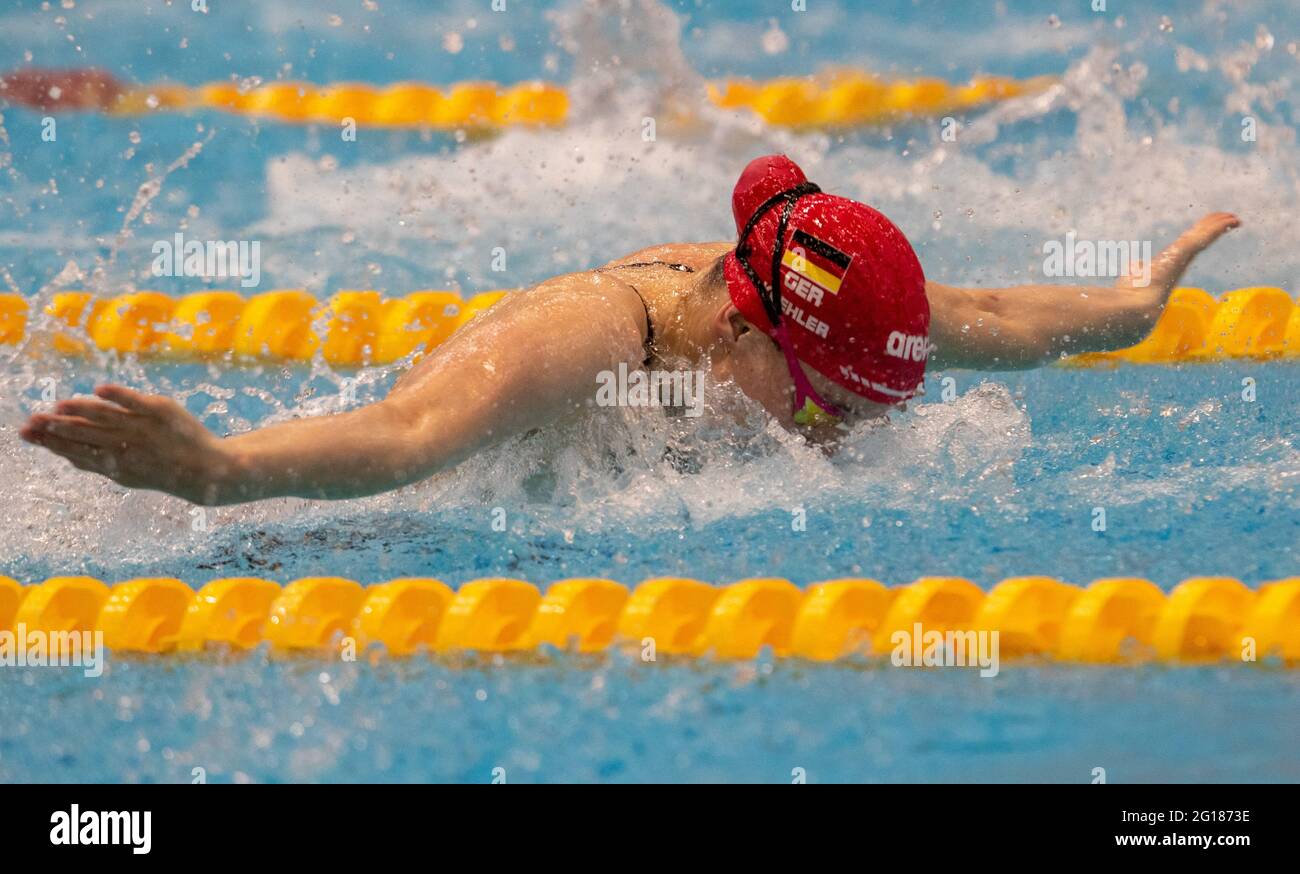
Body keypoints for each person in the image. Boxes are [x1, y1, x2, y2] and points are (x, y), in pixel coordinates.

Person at [19, 155, 1239, 506]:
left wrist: (1138, 299)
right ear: (752, 338)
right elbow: (404, 436)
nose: (828, 436)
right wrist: (221, 471)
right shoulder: (589, 341)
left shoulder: (847, 316)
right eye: (823, 407)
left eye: (862, 416)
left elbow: (1014, 318)